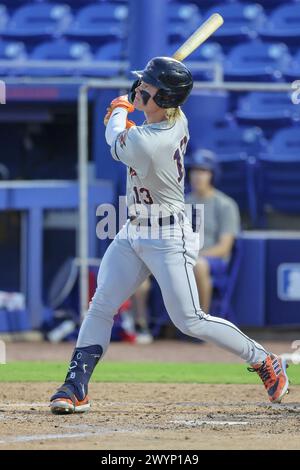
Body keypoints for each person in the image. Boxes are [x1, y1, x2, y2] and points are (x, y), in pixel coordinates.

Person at [49, 57, 289, 414]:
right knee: (100, 306)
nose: (139, 89)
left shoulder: (152, 142)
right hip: (133, 230)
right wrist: (139, 100)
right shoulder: (171, 120)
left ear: (164, 99)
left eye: (147, 88)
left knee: (189, 319)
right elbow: (133, 127)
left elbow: (115, 139)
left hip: (168, 236)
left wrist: (119, 109)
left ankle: (264, 360)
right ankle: (76, 385)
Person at [185, 149, 240, 313]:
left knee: (198, 265)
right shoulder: (182, 202)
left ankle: (202, 321)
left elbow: (224, 247)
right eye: (194, 170)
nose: (197, 176)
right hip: (186, 256)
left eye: (203, 171)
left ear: (212, 175)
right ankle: (143, 325)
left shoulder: (225, 204)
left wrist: (195, 256)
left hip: (213, 261)